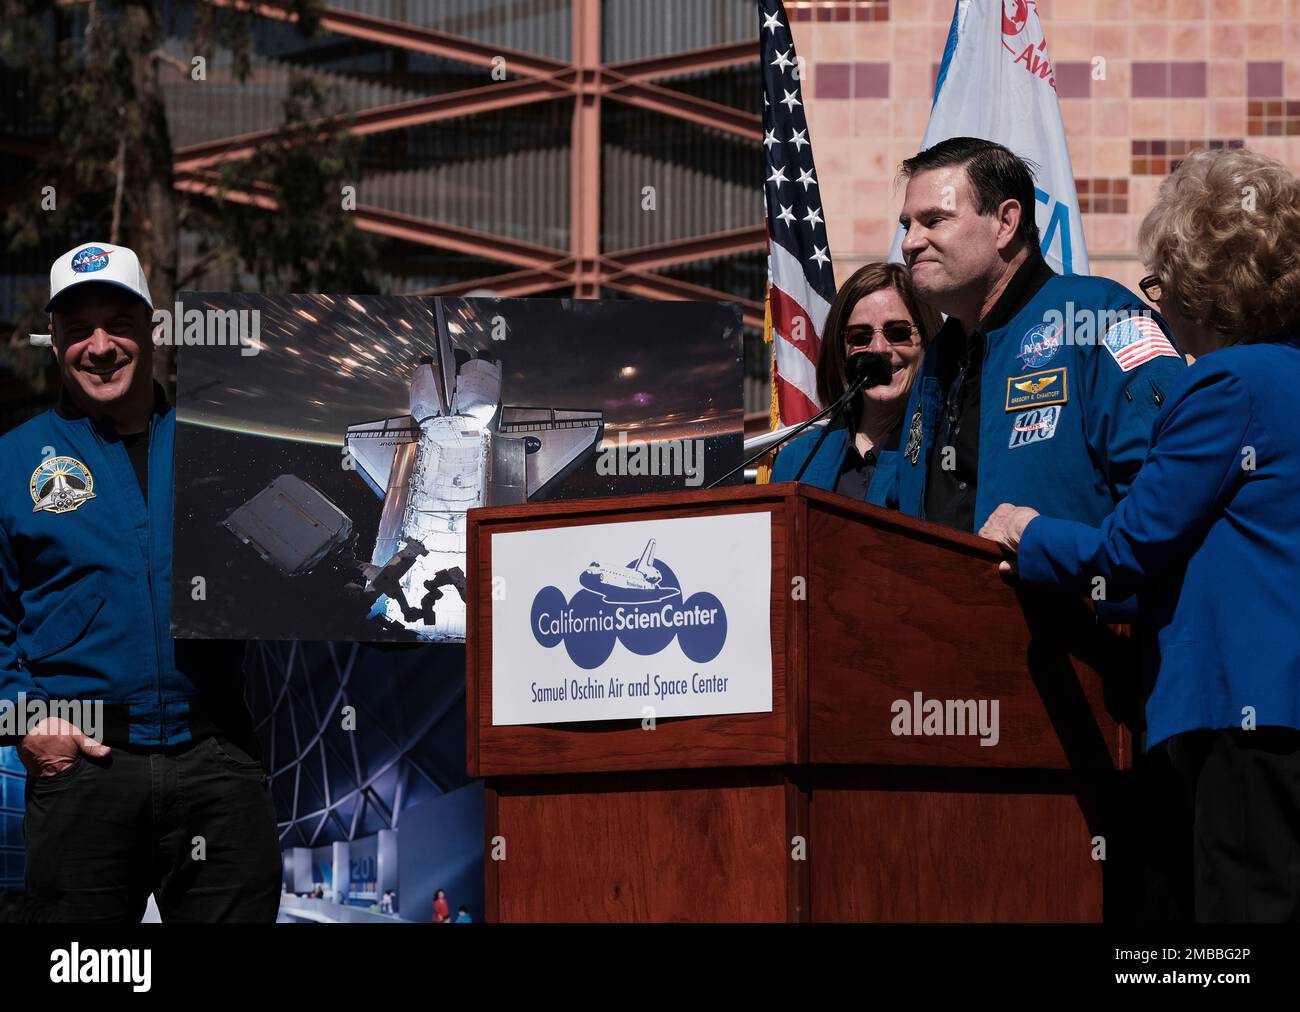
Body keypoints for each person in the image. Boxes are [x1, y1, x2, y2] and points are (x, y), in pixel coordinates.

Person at [981, 147, 1300, 922]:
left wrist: (1029, 533)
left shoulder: (1226, 384)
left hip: (1237, 709)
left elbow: (1127, 554)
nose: (1155, 306)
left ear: (1199, 285)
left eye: (1158, 284)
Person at [0, 242, 282, 922]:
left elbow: (308, 566)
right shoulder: (11, 463)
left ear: (154, 331)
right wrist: (28, 727)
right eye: (77, 330)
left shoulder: (226, 442)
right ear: (55, 340)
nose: (99, 346)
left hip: (217, 760)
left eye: (117, 324)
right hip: (81, 772)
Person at [893, 137, 1188, 536]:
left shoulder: (1099, 319)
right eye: (907, 225)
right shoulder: (937, 356)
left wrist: (1056, 558)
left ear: (1005, 222)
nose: (910, 242)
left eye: (934, 220)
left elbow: (1172, 501)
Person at [771, 262, 941, 501]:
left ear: (926, 340)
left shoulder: (946, 450)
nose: (879, 348)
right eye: (860, 336)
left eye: (898, 332)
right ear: (841, 352)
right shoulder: (794, 462)